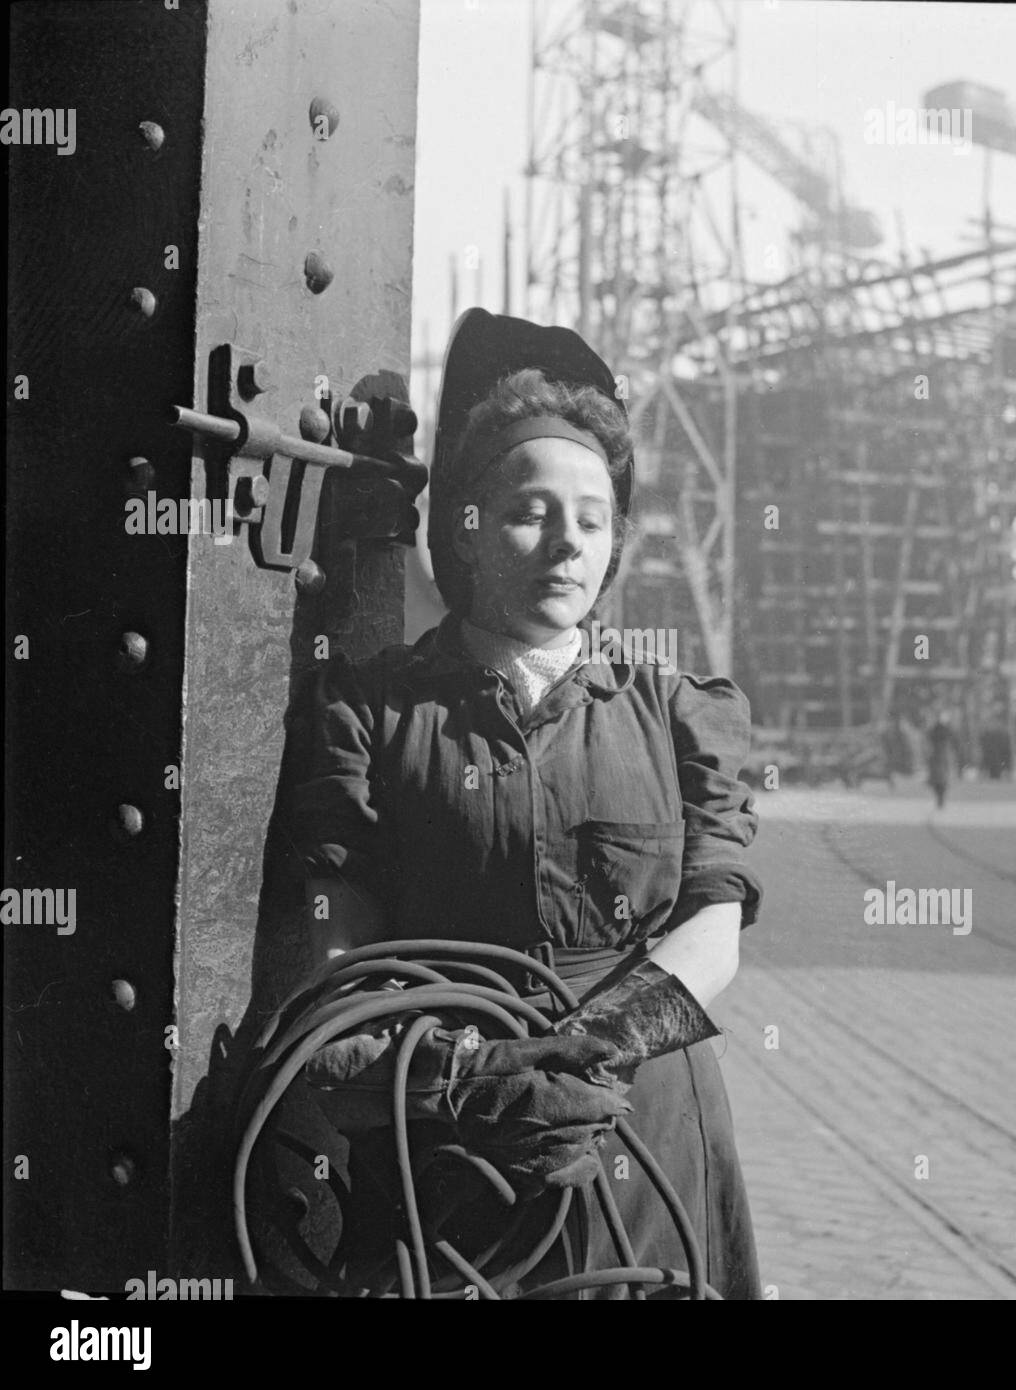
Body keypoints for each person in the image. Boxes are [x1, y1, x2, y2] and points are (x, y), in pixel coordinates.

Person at [283, 308, 764, 1299]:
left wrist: (581, 1055)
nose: (565, 545)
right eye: (529, 511)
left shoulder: (679, 712)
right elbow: (336, 959)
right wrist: (470, 1077)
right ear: (463, 525)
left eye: (592, 520)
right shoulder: (373, 714)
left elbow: (713, 934)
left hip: (645, 1129)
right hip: (454, 1146)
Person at [926, 711, 956, 809]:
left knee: (939, 780)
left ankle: (940, 799)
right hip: (940, 757)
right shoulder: (944, 730)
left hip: (938, 757)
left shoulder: (936, 730)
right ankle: (940, 799)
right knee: (941, 780)